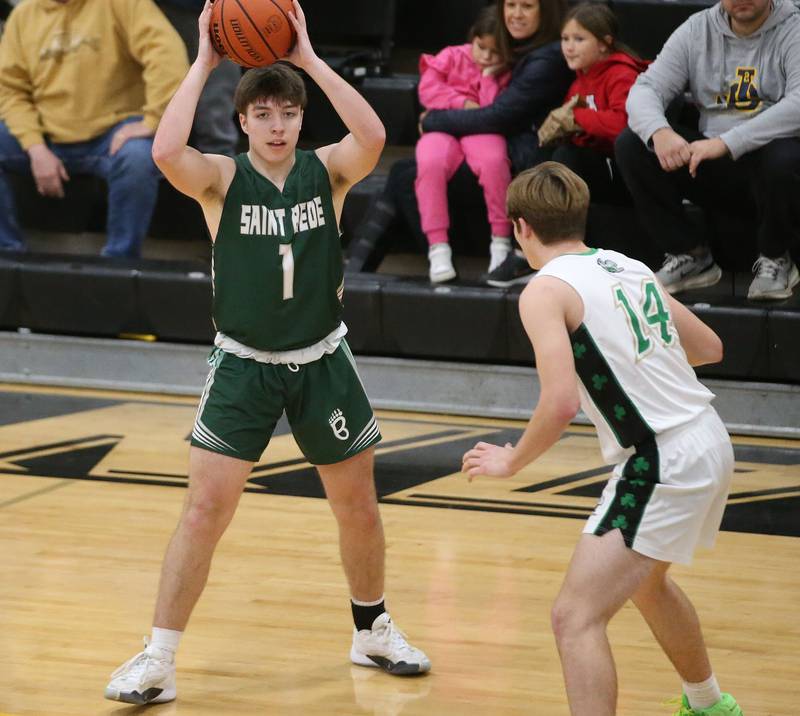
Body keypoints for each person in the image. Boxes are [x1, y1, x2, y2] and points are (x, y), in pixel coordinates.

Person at [104, 1, 429, 705]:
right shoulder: (220, 179)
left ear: (298, 119)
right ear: (243, 121)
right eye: (264, 115)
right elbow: (164, 154)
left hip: (323, 361)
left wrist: (309, 58)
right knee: (202, 513)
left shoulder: (328, 171)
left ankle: (371, 628)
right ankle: (158, 659)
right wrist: (202, 63)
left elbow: (373, 134)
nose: (277, 125)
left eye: (287, 113)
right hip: (244, 366)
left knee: (360, 510)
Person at [462, 162, 743, 716]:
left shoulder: (544, 291)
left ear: (520, 228)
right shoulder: (629, 265)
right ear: (579, 215)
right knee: (646, 583)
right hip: (709, 438)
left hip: (662, 457)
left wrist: (512, 461)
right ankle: (709, 704)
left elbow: (561, 401)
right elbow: (710, 347)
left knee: (574, 617)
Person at [346, 0, 572, 287]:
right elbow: (439, 90)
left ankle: (375, 266)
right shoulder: (516, 50)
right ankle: (422, 256)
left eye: (527, 6)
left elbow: (497, 116)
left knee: (404, 175)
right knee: (410, 171)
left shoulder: (543, 59)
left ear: (547, 11)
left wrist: (433, 121)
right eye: (511, 5)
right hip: (509, 148)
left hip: (522, 159)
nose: (516, 14)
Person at [615, 0, 800, 301]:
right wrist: (660, 132)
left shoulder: (794, 28)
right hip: (713, 163)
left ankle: (777, 257)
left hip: (775, 167)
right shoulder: (697, 29)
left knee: (784, 157)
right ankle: (688, 254)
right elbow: (646, 88)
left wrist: (728, 142)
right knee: (634, 143)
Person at [0, 0, 188, 258]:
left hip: (111, 135)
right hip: (47, 135)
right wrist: (35, 148)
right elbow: (10, 91)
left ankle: (119, 262)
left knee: (138, 157)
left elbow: (166, 54)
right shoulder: (23, 16)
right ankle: (8, 255)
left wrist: (152, 120)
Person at [415, 6, 513, 283]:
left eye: (495, 53)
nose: (485, 56)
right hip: (444, 129)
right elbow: (428, 90)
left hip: (481, 130)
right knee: (430, 162)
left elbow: (494, 108)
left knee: (495, 162)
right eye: (481, 47)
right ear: (473, 37)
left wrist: (488, 76)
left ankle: (501, 243)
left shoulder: (503, 71)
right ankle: (438, 247)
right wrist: (464, 104)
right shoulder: (452, 55)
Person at [537, 3, 647, 206]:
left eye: (579, 39)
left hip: (629, 172)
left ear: (605, 43)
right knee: (554, 155)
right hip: (603, 167)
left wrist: (577, 118)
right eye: (565, 39)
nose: (569, 47)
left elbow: (625, 125)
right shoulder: (579, 81)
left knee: (568, 157)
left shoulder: (622, 74)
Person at [157, 0, 241, 156]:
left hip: (224, 11)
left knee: (215, 112)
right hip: (166, 10)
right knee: (165, 112)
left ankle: (223, 173)